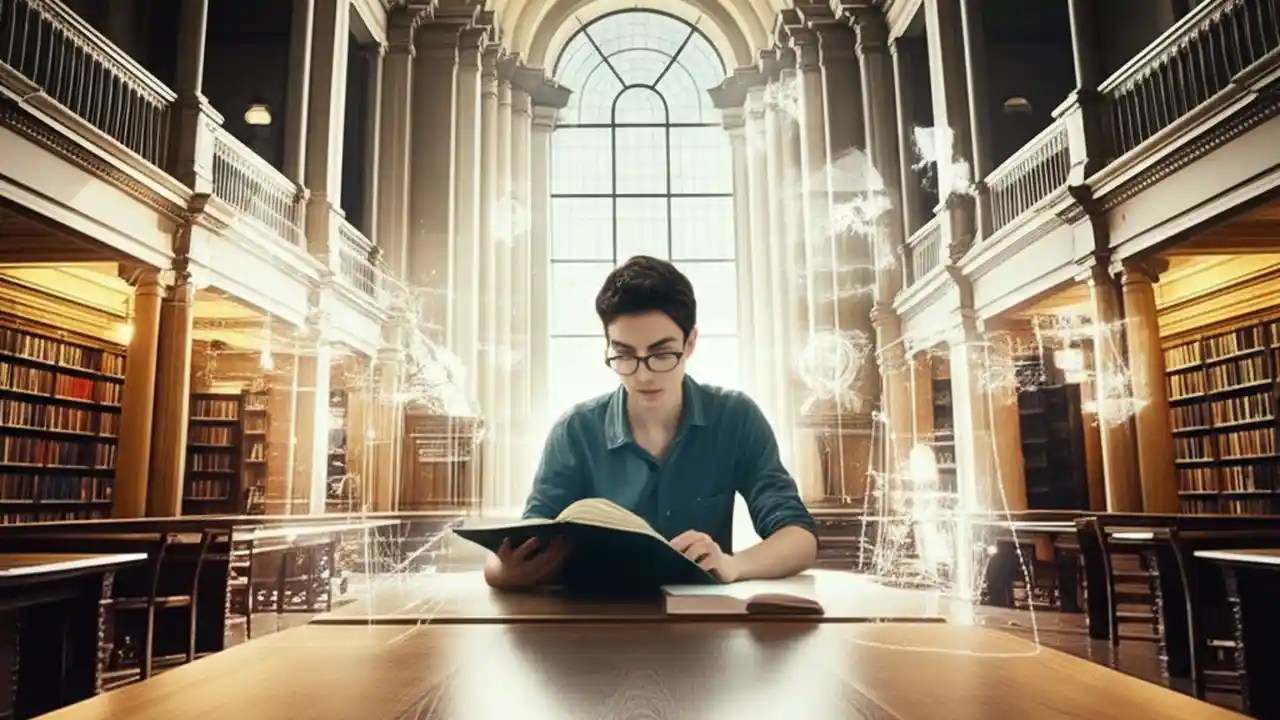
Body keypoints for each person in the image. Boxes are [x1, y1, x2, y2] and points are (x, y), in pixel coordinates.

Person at [483, 255, 817, 590]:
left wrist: (733, 565)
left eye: (661, 354)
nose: (643, 375)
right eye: (625, 355)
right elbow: (519, 546)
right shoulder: (575, 432)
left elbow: (800, 539)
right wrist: (500, 573)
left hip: (702, 625)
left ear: (690, 343)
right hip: (592, 624)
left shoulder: (735, 418)